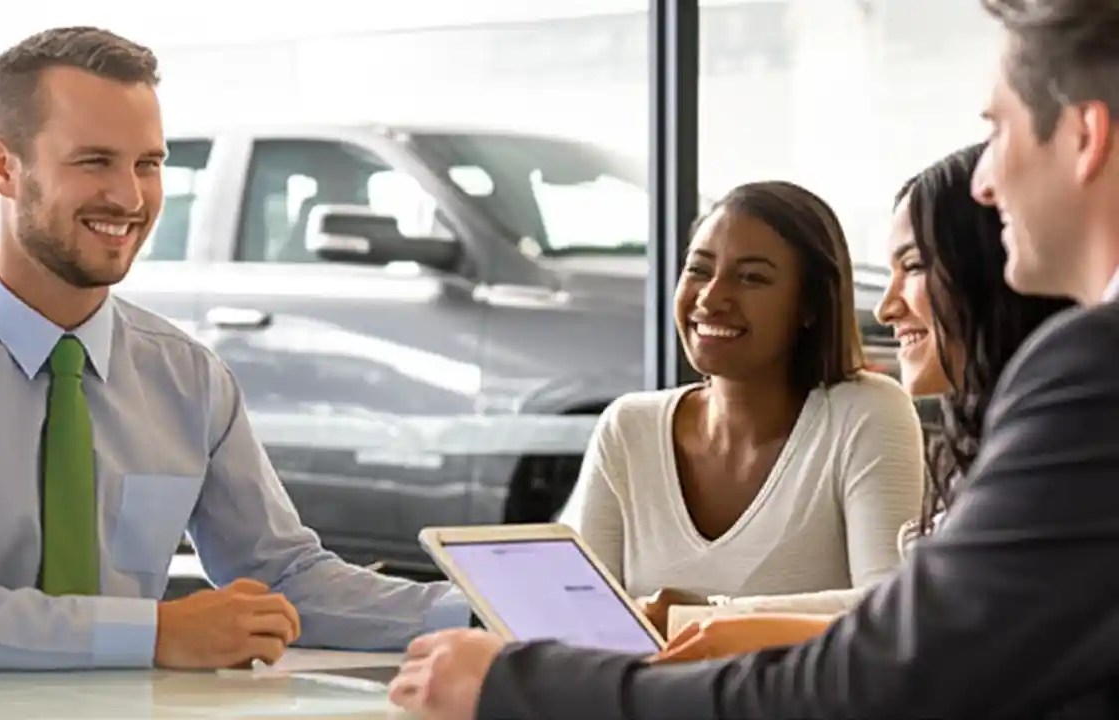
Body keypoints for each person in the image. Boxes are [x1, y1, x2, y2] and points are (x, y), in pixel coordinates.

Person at [387, 0, 1119, 716]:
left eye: (997, 130)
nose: (985, 182)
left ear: (1086, 137)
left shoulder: (1091, 370)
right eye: (698, 268)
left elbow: (890, 672)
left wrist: (517, 688)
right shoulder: (630, 425)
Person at [0, 26, 468, 671]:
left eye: (148, 164)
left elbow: (284, 576)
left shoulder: (189, 378)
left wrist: (491, 612)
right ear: (4, 166)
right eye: (94, 162)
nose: (130, 197)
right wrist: (150, 633)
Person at [651, 142, 1074, 658]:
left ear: (994, 267)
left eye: (914, 266)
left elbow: (913, 637)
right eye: (698, 269)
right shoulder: (988, 448)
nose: (887, 306)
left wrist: (708, 620)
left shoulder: (1047, 453)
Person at [556, 180, 924, 637]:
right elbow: (581, 619)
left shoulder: (867, 411)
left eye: (752, 277)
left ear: (810, 304)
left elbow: (890, 605)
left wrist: (695, 617)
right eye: (698, 270)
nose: (711, 298)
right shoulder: (628, 427)